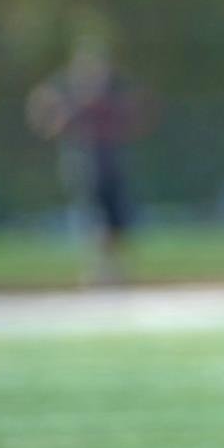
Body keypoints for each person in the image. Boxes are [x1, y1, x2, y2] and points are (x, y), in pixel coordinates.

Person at [26, 33, 155, 286]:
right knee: (94, 217)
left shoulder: (115, 86)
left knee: (117, 217)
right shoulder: (66, 89)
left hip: (112, 160)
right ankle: (98, 269)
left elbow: (141, 107)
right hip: (85, 161)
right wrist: (56, 122)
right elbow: (42, 108)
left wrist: (127, 121)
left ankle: (114, 268)